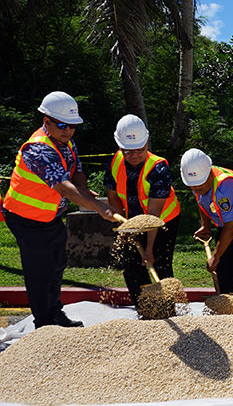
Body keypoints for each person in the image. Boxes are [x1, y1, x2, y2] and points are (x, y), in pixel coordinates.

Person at [2, 92, 117, 328]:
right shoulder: (37, 150)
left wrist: (84, 191)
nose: (69, 131)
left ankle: (55, 312)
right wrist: (97, 206)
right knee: (40, 271)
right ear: (47, 122)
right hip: (26, 218)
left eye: (73, 126)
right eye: (63, 125)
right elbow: (63, 187)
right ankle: (44, 324)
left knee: (57, 263)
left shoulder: (66, 142)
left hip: (51, 216)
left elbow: (76, 171)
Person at [104, 115, 181, 302]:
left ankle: (165, 308)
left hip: (163, 222)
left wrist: (148, 249)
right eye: (128, 151)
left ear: (147, 142)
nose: (135, 155)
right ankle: (144, 307)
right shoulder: (114, 162)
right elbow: (113, 197)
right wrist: (125, 228)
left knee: (159, 263)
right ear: (120, 147)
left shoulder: (158, 168)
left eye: (140, 149)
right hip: (132, 220)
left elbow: (153, 216)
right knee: (131, 266)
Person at [181, 148, 233, 313]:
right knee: (223, 270)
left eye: (200, 186)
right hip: (227, 225)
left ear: (210, 174)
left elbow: (231, 228)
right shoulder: (199, 180)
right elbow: (201, 200)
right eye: (193, 187)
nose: (196, 189)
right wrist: (205, 225)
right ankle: (227, 310)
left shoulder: (226, 185)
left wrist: (215, 256)